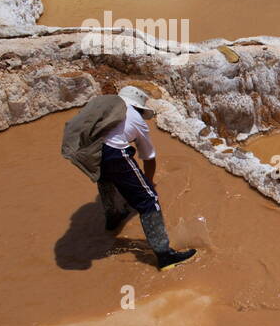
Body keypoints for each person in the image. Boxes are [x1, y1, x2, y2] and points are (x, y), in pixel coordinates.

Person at [60, 85, 197, 271]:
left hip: (90, 152)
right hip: (114, 151)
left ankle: (113, 219)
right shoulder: (136, 118)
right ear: (140, 107)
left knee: (106, 179)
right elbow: (149, 158)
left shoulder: (106, 108)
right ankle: (165, 256)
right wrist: (147, 185)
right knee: (148, 200)